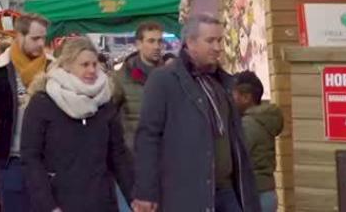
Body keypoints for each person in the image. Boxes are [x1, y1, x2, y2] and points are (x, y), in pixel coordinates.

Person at [132, 13, 258, 212]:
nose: (217, 47)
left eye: (219, 40)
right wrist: (145, 191)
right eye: (210, 41)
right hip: (188, 194)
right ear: (190, 43)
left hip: (226, 190)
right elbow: (147, 137)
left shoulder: (222, 82)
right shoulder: (164, 80)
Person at [20, 35, 133, 212]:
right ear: (67, 65)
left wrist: (134, 198)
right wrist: (48, 205)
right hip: (61, 202)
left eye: (94, 64)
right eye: (84, 65)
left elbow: (118, 155)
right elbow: (31, 158)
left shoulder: (105, 103)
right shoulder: (43, 103)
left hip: (101, 202)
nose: (92, 70)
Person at [0, 15, 51, 212]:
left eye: (43, 38)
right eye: (35, 38)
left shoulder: (53, 68)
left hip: (47, 162)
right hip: (11, 160)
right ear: (19, 36)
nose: (41, 44)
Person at [111, 22, 165, 155]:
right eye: (151, 41)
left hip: (165, 154)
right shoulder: (121, 77)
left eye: (159, 41)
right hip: (133, 154)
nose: (157, 46)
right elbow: (110, 116)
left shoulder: (171, 75)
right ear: (139, 44)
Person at [232, 71, 282, 212]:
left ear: (246, 97)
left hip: (254, 195)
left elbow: (236, 157)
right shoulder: (263, 120)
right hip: (267, 193)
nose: (230, 99)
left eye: (233, 94)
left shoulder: (249, 124)